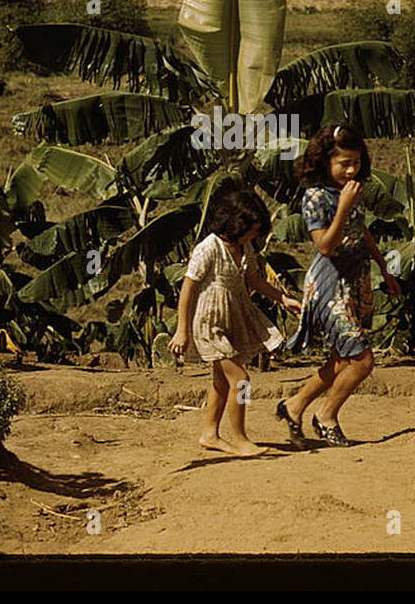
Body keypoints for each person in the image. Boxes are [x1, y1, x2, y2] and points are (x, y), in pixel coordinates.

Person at [275, 122, 400, 447]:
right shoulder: (315, 197)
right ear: (324, 161)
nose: (351, 169)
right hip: (330, 284)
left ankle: (294, 405)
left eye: (356, 162)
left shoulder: (353, 189)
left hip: (356, 279)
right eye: (344, 163)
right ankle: (326, 415)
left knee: (342, 360)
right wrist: (342, 207)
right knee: (363, 361)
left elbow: (363, 231)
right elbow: (325, 246)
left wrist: (385, 268)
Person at [170, 188, 302, 456]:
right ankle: (241, 438)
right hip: (209, 323)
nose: (255, 235)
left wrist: (283, 299)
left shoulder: (245, 247)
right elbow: (188, 289)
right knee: (241, 380)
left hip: (232, 318)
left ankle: (210, 434)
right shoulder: (208, 248)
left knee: (221, 382)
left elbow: (254, 280)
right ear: (235, 224)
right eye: (251, 229)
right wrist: (182, 330)